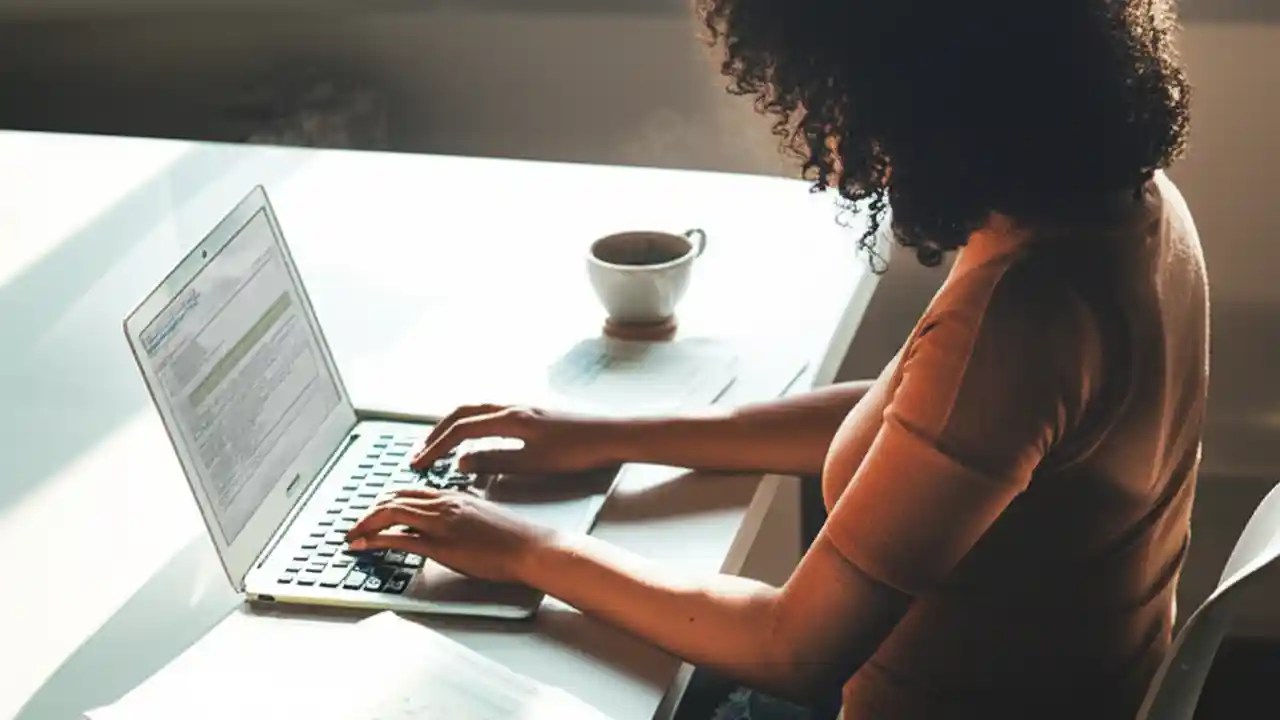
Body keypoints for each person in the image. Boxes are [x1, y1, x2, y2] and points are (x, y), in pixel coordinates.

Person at [345, 0, 1206, 717]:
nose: (830, 155)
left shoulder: (1020, 323)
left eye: (836, 105)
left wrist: (521, 552)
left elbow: (794, 651)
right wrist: (612, 435)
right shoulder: (1122, 210)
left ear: (929, 93)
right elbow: (924, 421)